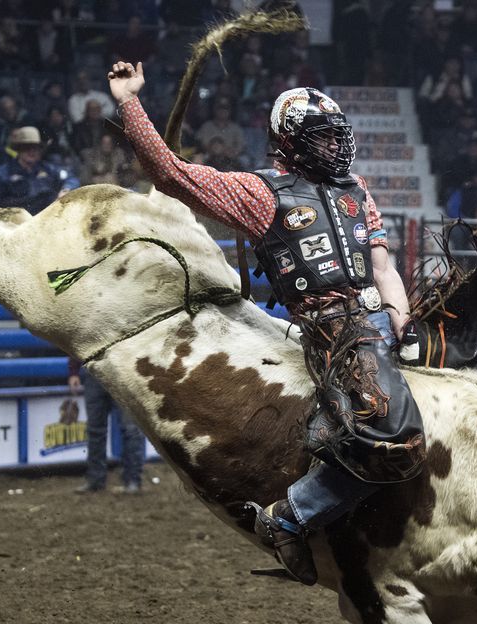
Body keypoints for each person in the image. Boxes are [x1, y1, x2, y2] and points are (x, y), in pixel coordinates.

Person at [108, 60, 426, 585]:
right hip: (331, 329)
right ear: (291, 142)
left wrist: (402, 320)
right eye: (321, 140)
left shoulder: (356, 190)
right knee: (398, 440)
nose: (335, 148)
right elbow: (171, 173)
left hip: (375, 322)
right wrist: (129, 103)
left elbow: (383, 268)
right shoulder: (261, 194)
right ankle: (292, 516)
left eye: (336, 138)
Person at [68, 358, 146, 494]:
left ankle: (130, 480)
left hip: (121, 372)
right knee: (100, 430)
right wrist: (73, 371)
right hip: (104, 372)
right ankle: (104, 480)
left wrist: (74, 371)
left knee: (127, 430)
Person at [0, 127, 78, 213]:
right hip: (15, 221)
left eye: (35, 148)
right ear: (19, 149)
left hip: (45, 219)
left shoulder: (49, 169)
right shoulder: (3, 173)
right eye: (27, 148)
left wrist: (66, 189)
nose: (31, 152)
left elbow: (71, 178)